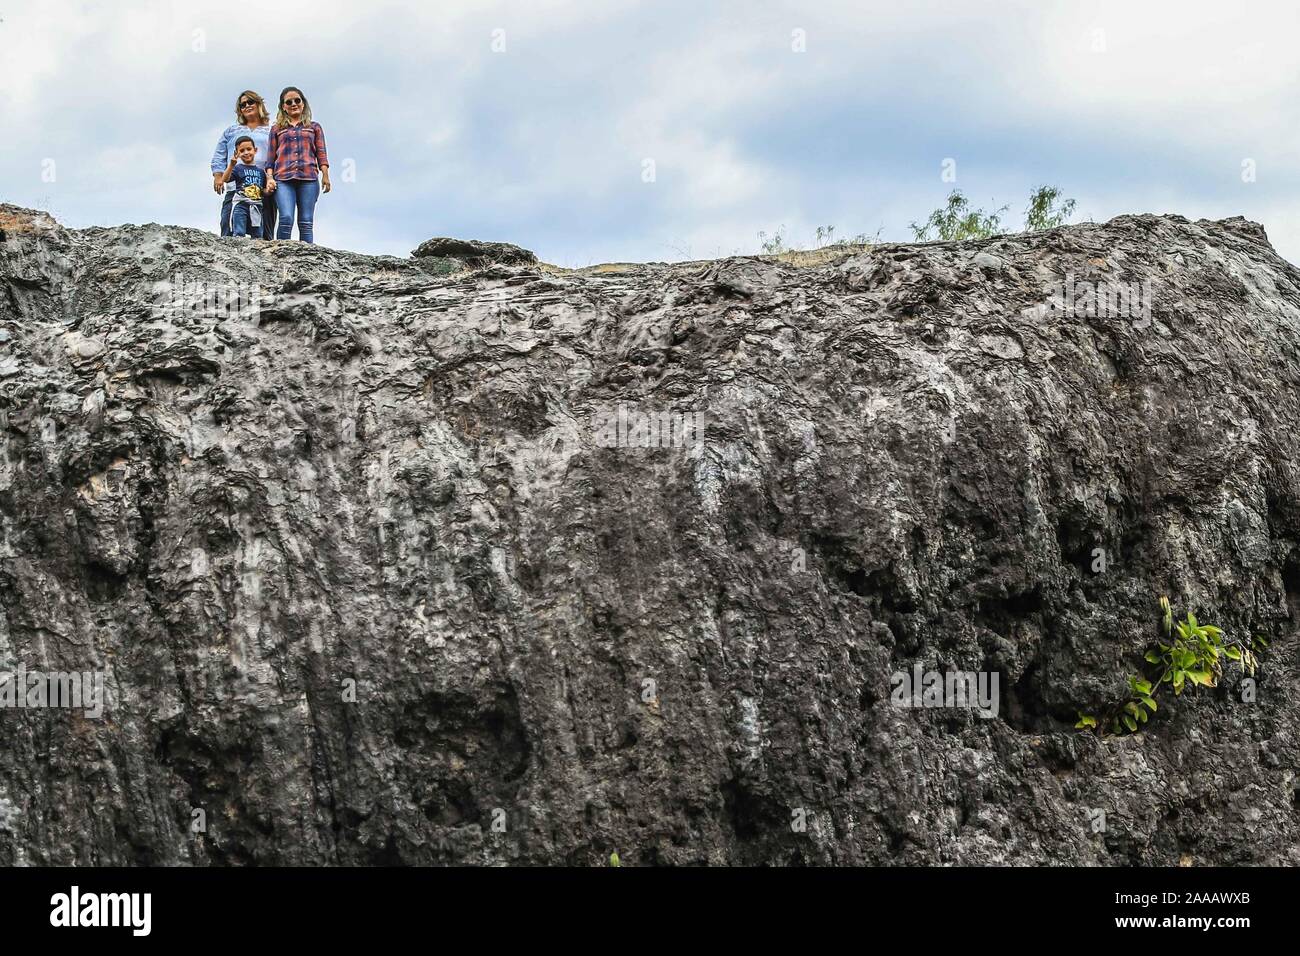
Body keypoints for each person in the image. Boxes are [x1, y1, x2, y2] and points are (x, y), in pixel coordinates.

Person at [266, 86, 331, 243]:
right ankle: (280, 255)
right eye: (289, 102)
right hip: (283, 178)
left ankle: (308, 258)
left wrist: (325, 176)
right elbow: (270, 157)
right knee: (286, 217)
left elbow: (321, 153)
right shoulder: (276, 129)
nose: (293, 104)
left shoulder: (314, 127)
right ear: (283, 107)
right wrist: (269, 177)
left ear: (303, 104)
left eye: (297, 100)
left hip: (308, 178)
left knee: (306, 221)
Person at [209, 90, 277, 239]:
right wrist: (218, 175)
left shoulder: (272, 129)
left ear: (259, 104)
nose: (246, 106)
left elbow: (279, 154)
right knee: (229, 229)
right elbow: (219, 154)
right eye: (242, 105)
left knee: (264, 234)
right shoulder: (231, 131)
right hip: (236, 188)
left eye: (250, 102)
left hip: (262, 187)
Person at [220, 137, 267, 237]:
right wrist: (231, 165)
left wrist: (270, 190)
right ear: (237, 153)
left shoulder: (261, 172)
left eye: (249, 149)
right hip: (241, 205)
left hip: (256, 206)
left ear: (255, 150)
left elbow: (263, 190)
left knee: (258, 235)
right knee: (239, 232)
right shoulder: (238, 168)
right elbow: (225, 179)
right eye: (242, 151)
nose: (246, 153)